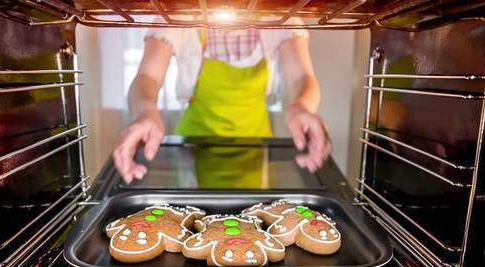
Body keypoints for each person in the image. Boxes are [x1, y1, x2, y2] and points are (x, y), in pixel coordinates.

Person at [114, 19, 331, 183]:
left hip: (254, 147)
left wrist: (302, 106)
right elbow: (147, 77)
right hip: (193, 146)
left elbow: (302, 77)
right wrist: (145, 111)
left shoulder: (281, 15)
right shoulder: (178, 14)